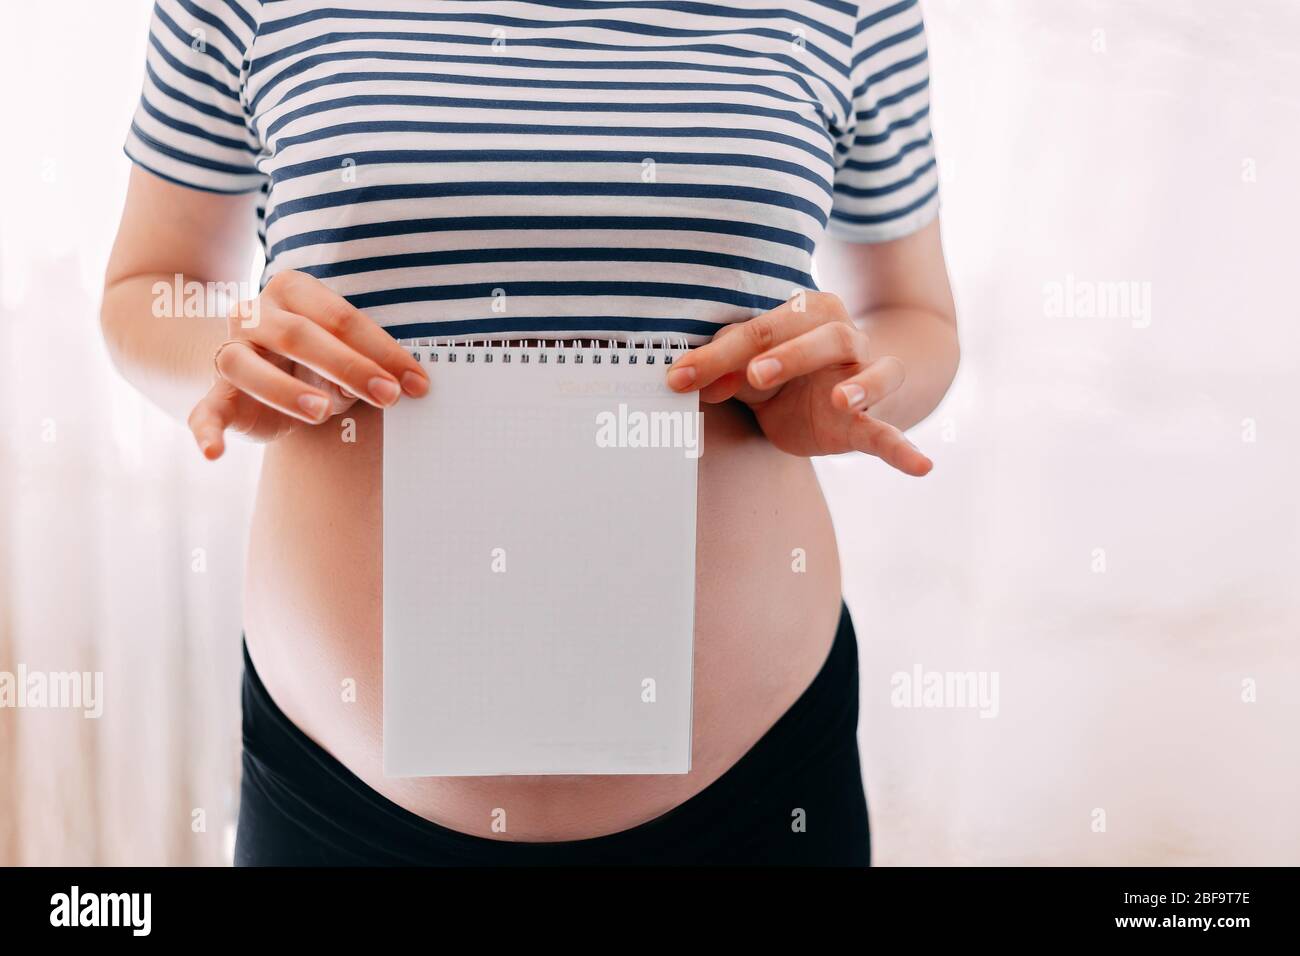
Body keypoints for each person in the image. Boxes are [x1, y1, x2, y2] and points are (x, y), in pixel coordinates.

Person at [101, 0, 958, 865]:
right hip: (334, 798)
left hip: (757, 794)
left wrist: (853, 385)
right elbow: (147, 284)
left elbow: (915, 313)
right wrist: (224, 354)